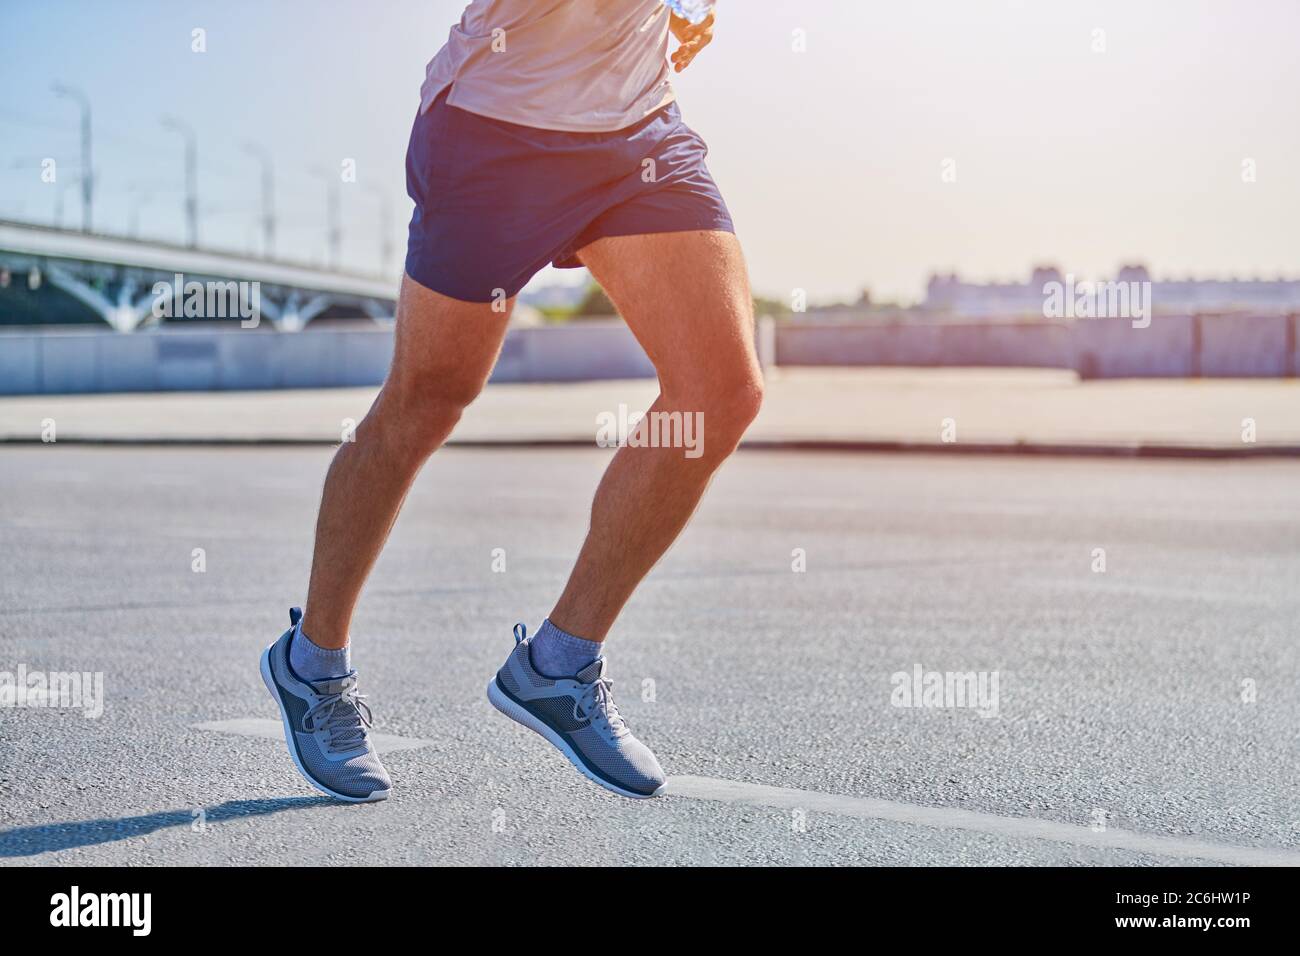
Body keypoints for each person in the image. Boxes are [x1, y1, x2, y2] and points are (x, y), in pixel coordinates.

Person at [261, 0, 761, 802]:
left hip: (638, 130)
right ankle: (310, 665)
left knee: (722, 390)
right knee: (429, 399)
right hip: (500, 125)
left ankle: (558, 667)